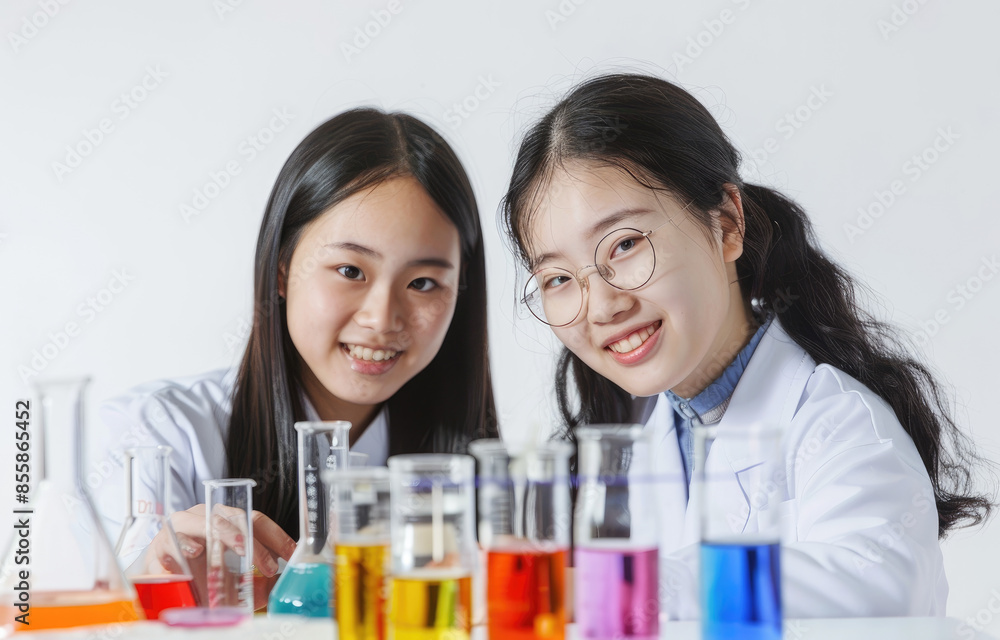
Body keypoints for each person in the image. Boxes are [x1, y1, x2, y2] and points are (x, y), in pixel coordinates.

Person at [500, 72, 993, 618]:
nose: (601, 306)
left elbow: (878, 589)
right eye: (558, 279)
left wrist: (618, 583)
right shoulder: (641, 447)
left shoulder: (840, 425)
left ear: (727, 222)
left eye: (625, 245)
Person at [94, 108, 498, 607]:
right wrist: (144, 580)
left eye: (422, 283)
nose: (382, 317)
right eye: (350, 270)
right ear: (282, 270)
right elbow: (48, 616)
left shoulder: (479, 471)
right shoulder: (156, 436)